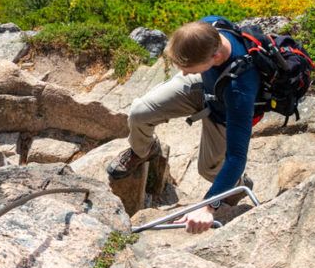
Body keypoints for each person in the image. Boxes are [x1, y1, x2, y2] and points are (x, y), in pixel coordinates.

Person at [106, 16, 257, 233]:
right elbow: (191, 64)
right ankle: (144, 151)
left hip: (225, 109)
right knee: (140, 112)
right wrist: (197, 71)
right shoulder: (208, 28)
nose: (183, 72)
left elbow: (236, 158)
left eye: (188, 67)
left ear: (215, 57)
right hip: (205, 84)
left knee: (209, 170)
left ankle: (237, 185)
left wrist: (207, 206)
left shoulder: (240, 88)